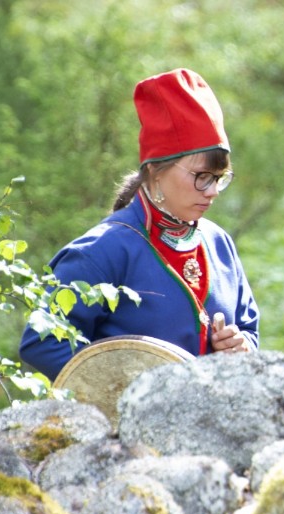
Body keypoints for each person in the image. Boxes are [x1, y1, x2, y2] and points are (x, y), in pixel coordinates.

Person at [20, 68, 259, 381]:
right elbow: (42, 342)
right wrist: (129, 385)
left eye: (218, 179)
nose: (212, 191)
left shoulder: (219, 244)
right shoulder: (104, 250)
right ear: (156, 171)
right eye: (202, 177)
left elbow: (250, 332)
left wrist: (240, 348)